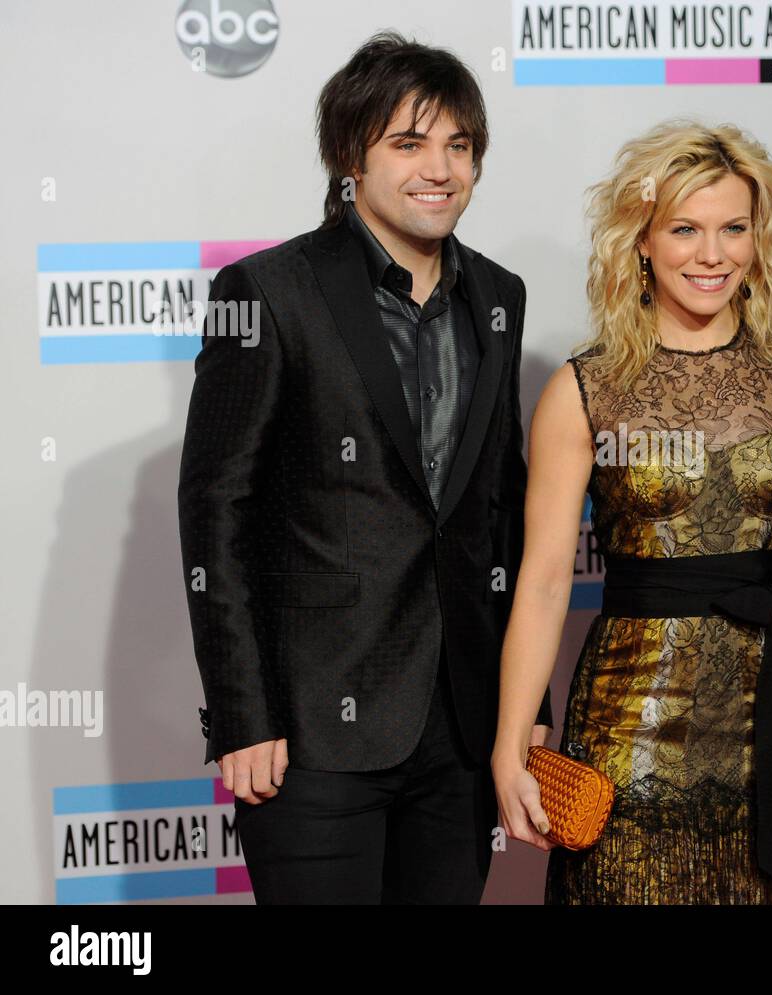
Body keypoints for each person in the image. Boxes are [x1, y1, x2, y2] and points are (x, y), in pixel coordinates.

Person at [178, 32, 551, 904]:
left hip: (460, 730)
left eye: (460, 145)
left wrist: (519, 700)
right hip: (311, 732)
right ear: (352, 156)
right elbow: (216, 513)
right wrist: (242, 713)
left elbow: (499, 505)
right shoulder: (269, 291)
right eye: (409, 142)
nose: (441, 168)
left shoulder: (499, 296)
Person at [493, 120, 772, 905]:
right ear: (640, 239)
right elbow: (540, 584)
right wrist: (510, 744)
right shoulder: (584, 390)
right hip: (629, 730)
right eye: (685, 229)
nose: (713, 254)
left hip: (770, 728)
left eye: (734, 228)